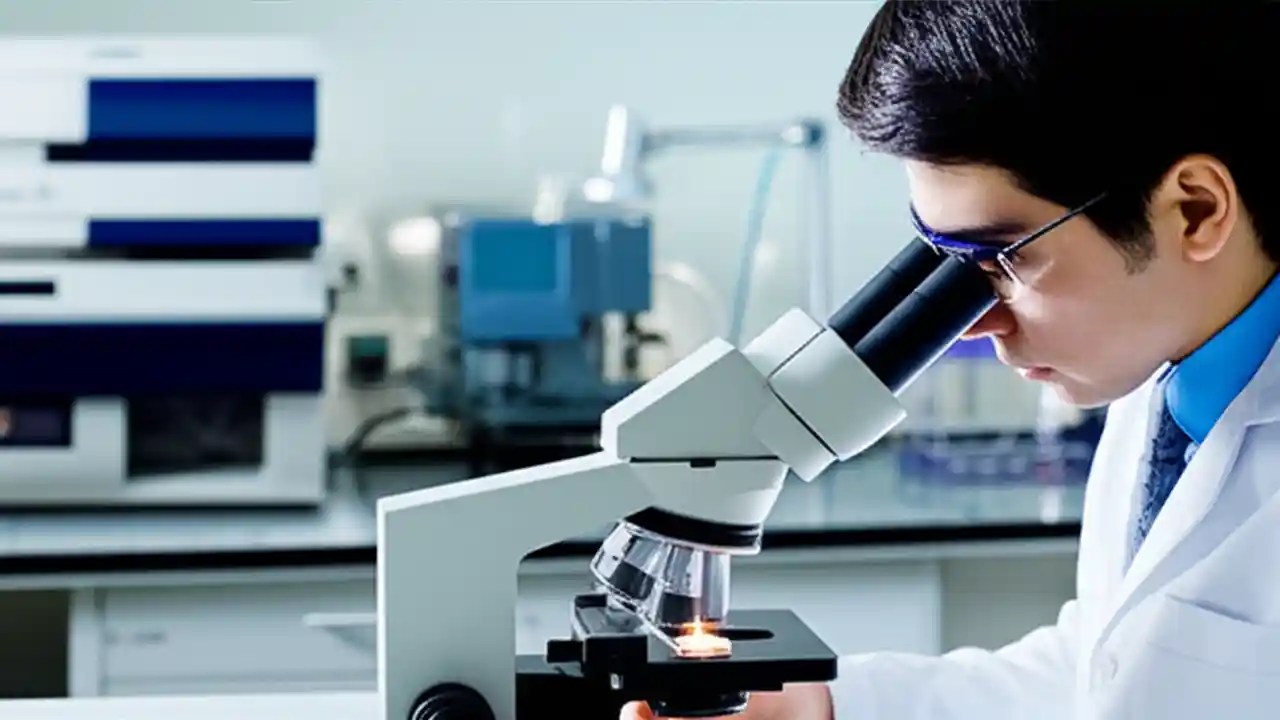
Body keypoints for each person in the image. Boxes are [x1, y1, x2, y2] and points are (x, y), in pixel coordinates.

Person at [624, 1, 1280, 718]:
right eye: (942, 259)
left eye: (1006, 257)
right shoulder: (1162, 375)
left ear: (1194, 210)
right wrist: (820, 707)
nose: (971, 326)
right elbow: (1111, 671)